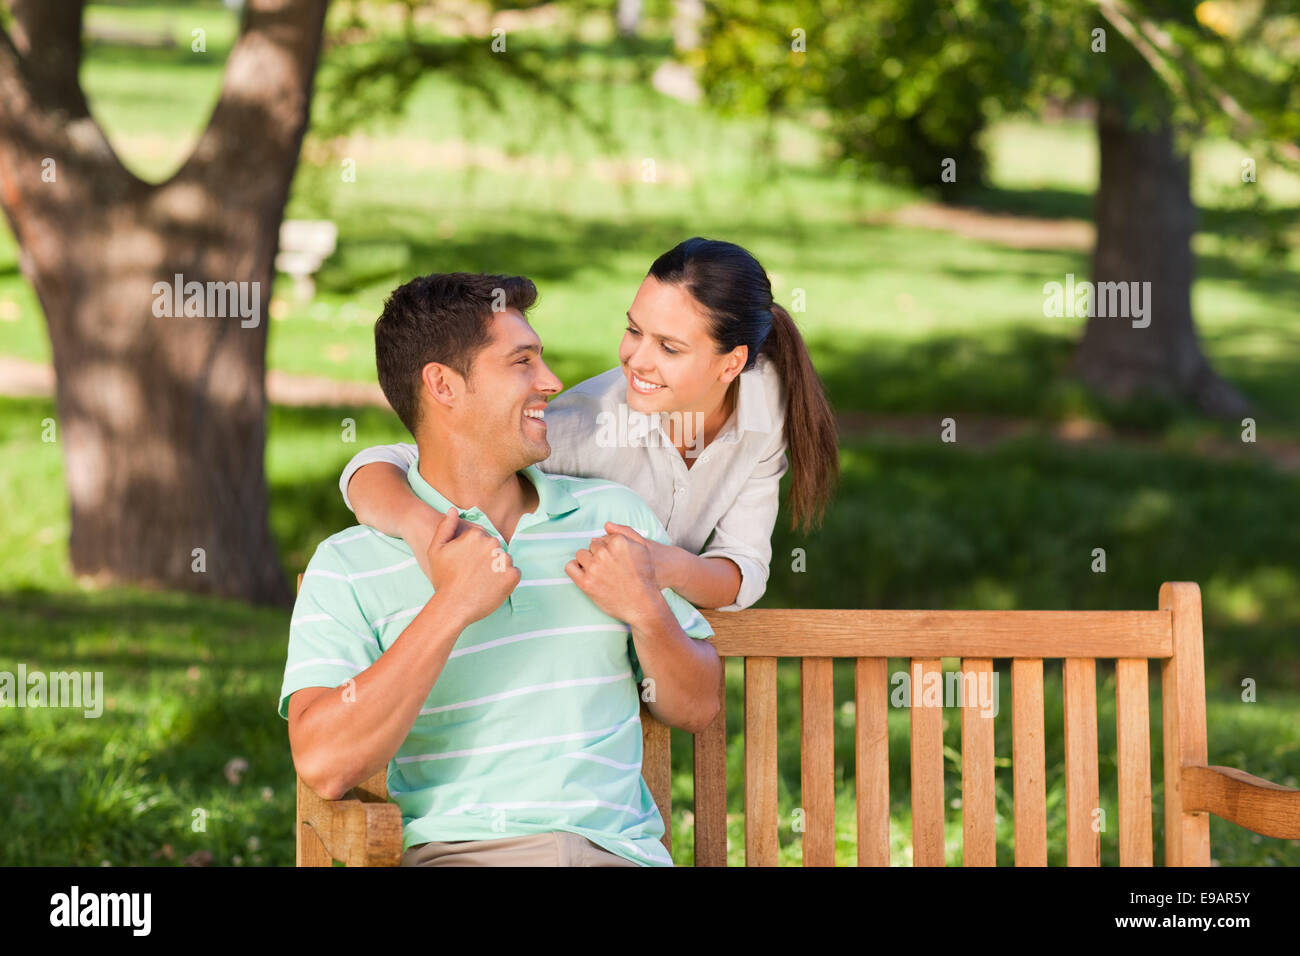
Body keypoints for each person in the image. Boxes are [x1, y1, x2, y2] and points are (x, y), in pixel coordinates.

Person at [279, 272, 721, 867]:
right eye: (522, 362)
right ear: (443, 385)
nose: (552, 382)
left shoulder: (613, 519)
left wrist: (646, 609)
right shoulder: (349, 564)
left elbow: (697, 708)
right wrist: (452, 605)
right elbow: (324, 765)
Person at [339, 237, 840, 613]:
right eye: (634, 330)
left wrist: (663, 567)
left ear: (731, 365)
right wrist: (419, 525)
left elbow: (744, 567)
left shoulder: (764, 404)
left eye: (668, 347)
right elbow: (400, 461)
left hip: (655, 646)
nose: (635, 360)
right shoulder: (586, 425)